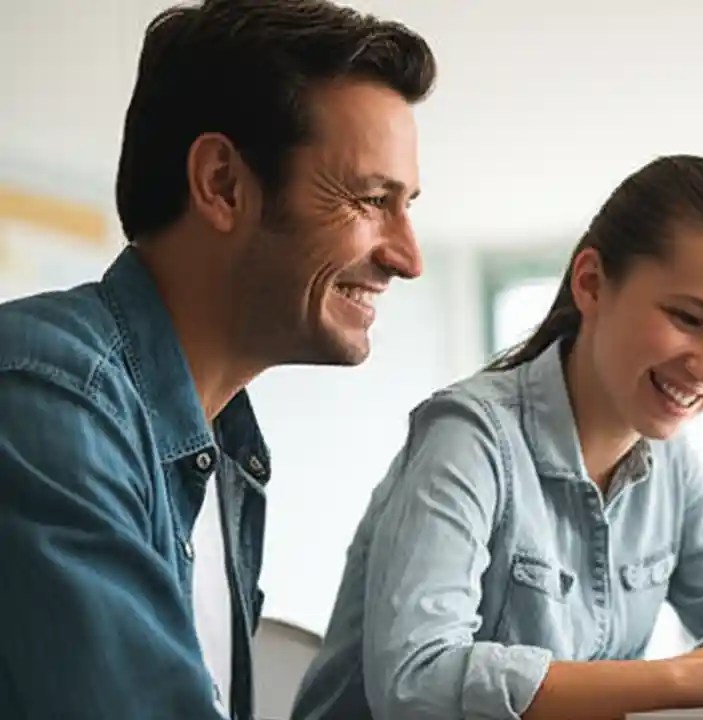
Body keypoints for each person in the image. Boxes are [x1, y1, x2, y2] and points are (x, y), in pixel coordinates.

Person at [291, 155, 703, 720]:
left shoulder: (668, 463)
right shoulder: (469, 436)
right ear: (592, 283)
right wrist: (692, 680)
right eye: (688, 318)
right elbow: (416, 680)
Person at [0, 1, 435, 718]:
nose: (406, 257)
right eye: (369, 199)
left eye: (406, 204)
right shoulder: (50, 401)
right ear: (223, 185)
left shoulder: (227, 453)